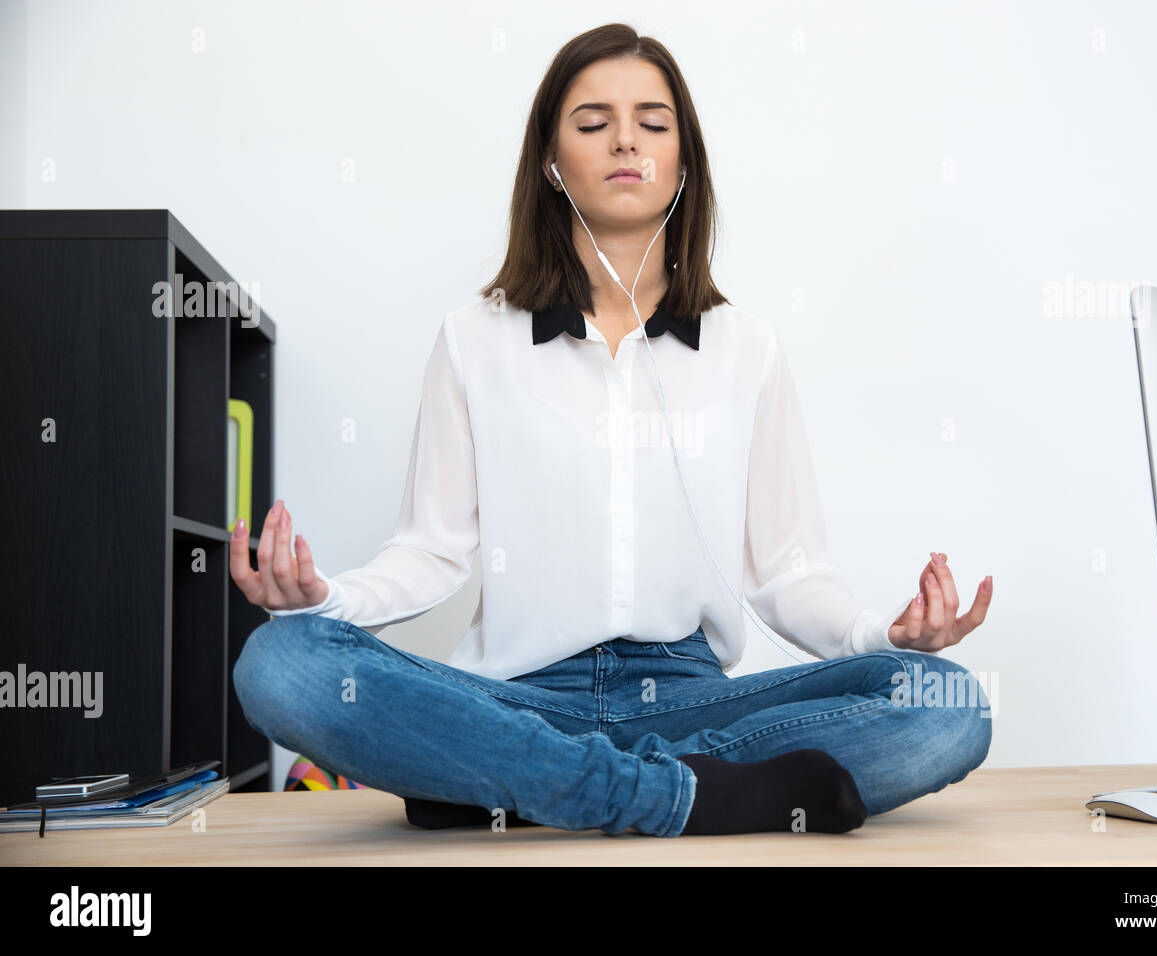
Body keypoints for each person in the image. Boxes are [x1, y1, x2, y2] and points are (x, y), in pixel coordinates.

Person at [230, 23, 994, 838]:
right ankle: (689, 797)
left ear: (685, 162)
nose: (625, 139)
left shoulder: (748, 349)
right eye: (593, 123)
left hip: (695, 694)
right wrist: (328, 601)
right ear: (552, 163)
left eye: (653, 123)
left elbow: (788, 571)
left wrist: (888, 634)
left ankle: (523, 788)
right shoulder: (473, 338)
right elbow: (432, 549)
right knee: (283, 663)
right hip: (521, 696)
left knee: (947, 703)